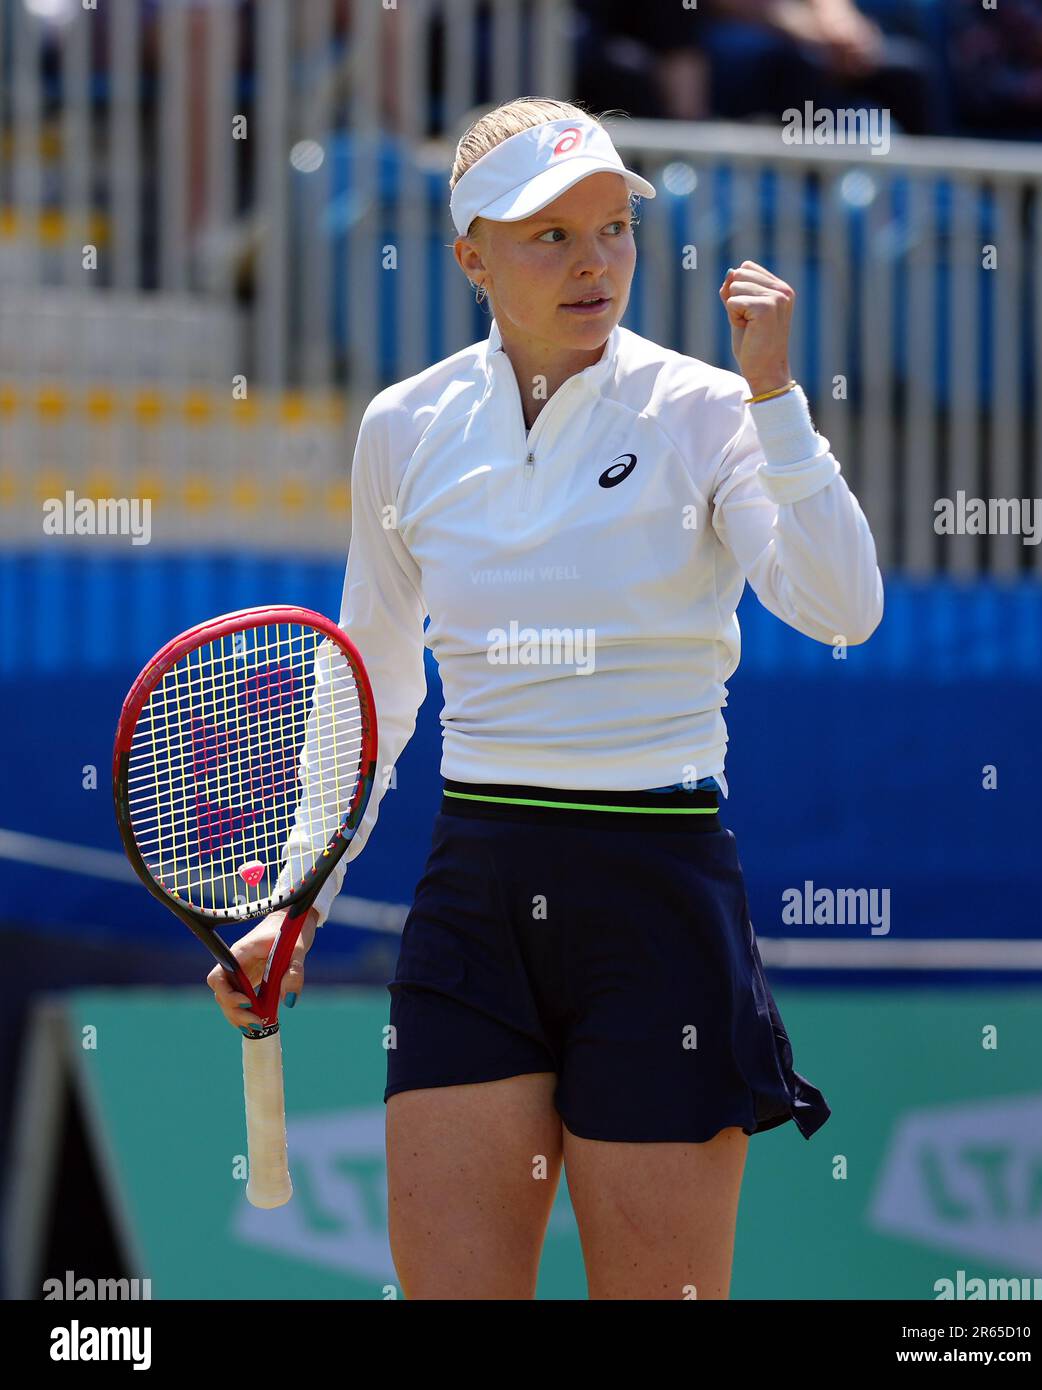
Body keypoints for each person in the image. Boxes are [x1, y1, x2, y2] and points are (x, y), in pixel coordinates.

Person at [207, 96, 884, 1300]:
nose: (593, 262)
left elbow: (842, 608)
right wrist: (296, 897)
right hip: (475, 895)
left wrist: (778, 401)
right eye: (548, 235)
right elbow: (368, 680)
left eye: (613, 228)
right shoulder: (404, 427)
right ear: (470, 256)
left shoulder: (710, 410)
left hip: (658, 895)